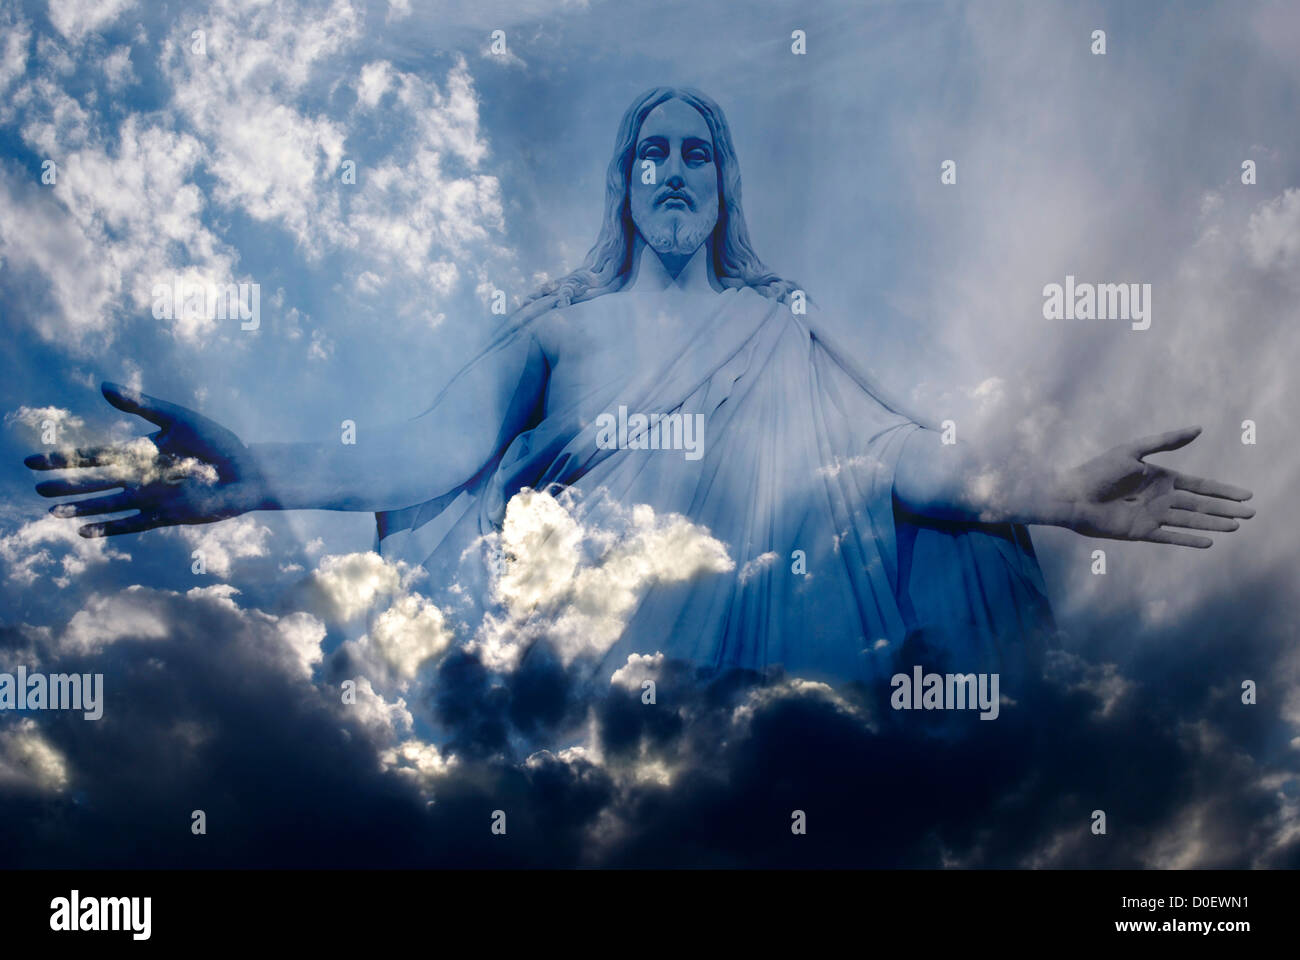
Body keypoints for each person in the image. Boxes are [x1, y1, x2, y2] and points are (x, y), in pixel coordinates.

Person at [25, 87, 1254, 689]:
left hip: (764, 664)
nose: (675, 170)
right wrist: (260, 477)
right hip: (580, 649)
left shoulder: (780, 326)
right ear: (622, 186)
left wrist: (1049, 493)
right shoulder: (559, 330)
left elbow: (888, 463)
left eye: (698, 151)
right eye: (651, 152)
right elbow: (432, 452)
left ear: (725, 185)